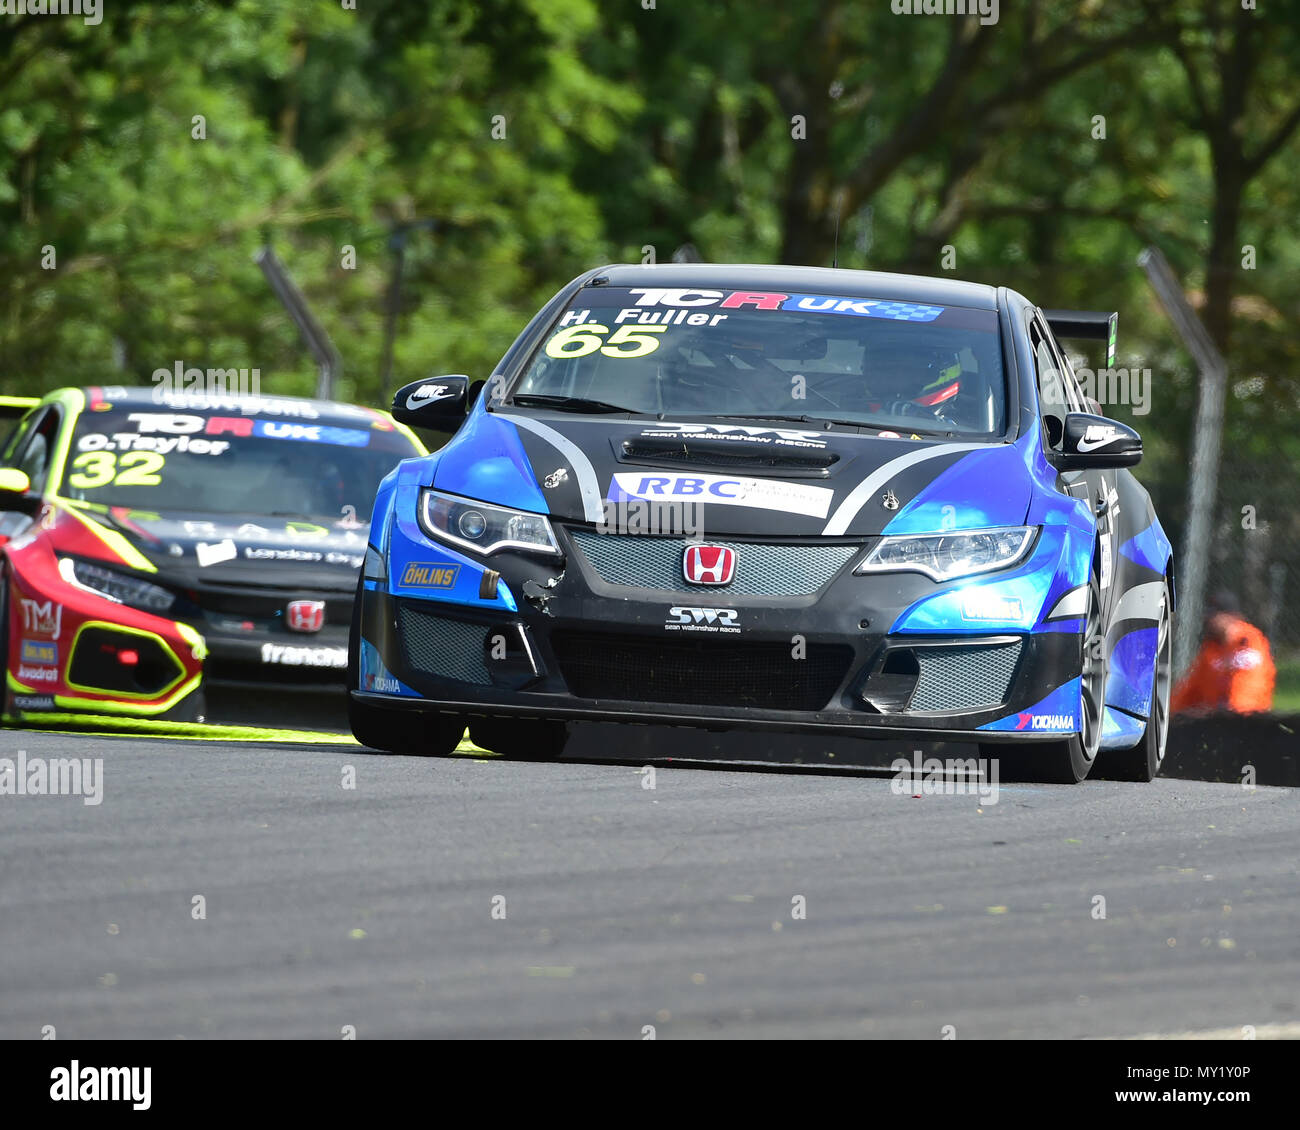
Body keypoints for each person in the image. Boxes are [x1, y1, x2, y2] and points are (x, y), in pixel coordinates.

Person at [1171, 590, 1275, 714]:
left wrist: (1232, 714)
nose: (1209, 620)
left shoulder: (1249, 643)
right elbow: (1193, 688)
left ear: (1231, 616)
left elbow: (1248, 688)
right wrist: (1170, 714)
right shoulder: (1212, 649)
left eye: (1214, 616)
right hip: (1218, 718)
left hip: (1249, 719)